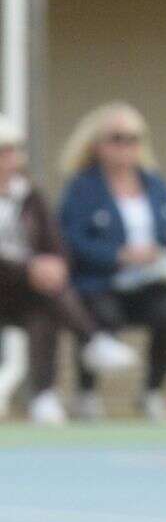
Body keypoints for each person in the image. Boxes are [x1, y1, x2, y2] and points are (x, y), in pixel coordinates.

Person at [56, 105, 166, 421]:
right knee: (100, 314)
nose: (126, 146)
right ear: (98, 144)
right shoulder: (83, 188)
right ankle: (86, 393)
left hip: (150, 282)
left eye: (134, 139)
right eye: (117, 138)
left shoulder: (154, 184)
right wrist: (120, 255)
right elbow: (70, 239)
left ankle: (152, 392)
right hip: (100, 283)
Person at [0, 117, 137, 422]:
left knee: (44, 305)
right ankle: (92, 339)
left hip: (26, 290)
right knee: (45, 288)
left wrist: (56, 265)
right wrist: (29, 268)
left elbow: (54, 240)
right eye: (3, 151)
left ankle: (44, 395)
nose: (10, 159)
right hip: (13, 281)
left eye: (13, 150)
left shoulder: (29, 195)